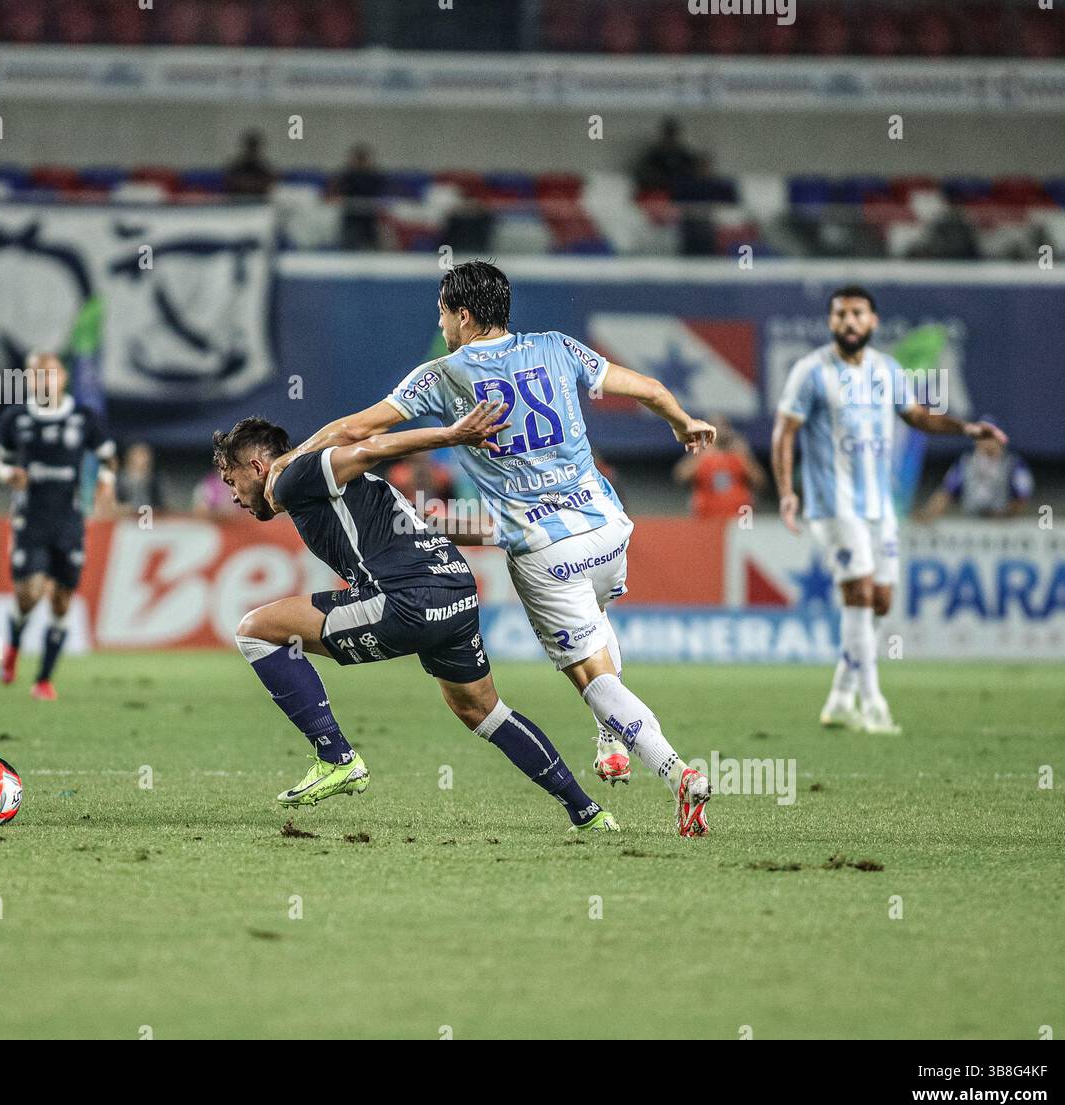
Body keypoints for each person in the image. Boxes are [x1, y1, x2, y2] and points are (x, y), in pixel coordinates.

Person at [281, 261, 717, 838]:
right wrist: (684, 423)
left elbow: (356, 431)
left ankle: (675, 771)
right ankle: (610, 737)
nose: (440, 323)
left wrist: (293, 460)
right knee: (598, 616)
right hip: (610, 527)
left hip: (544, 550)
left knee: (590, 674)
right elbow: (654, 390)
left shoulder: (443, 375)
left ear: (463, 314)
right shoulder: (557, 346)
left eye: (442, 311)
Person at [215, 406, 618, 833]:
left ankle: (336, 757)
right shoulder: (341, 490)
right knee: (481, 709)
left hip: (404, 598)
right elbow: (425, 520)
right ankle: (587, 812)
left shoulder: (293, 476)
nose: (234, 496)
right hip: (456, 592)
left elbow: (369, 447)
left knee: (256, 631)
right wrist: (503, 533)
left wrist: (452, 435)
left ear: (257, 466)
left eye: (231, 481)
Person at [771, 285, 1008, 735]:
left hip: (879, 505)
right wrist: (787, 490)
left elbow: (917, 415)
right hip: (832, 503)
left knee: (879, 602)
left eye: (857, 314)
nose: (848, 322)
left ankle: (840, 696)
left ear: (873, 322)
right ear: (830, 323)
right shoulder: (811, 371)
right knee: (858, 590)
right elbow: (785, 432)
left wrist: (967, 427)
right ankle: (873, 702)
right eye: (840, 315)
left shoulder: (887, 369)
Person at [0, 352, 117, 700]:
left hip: (69, 521)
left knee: (62, 601)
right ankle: (13, 646)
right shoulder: (16, 418)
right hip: (30, 520)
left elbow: (108, 457)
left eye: (50, 374)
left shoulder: (84, 417)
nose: (44, 381)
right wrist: (8, 474)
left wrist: (105, 482)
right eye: (37, 375)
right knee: (29, 594)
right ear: (29, 380)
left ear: (62, 378)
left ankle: (43, 679)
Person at [917, 421, 1032, 520]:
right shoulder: (965, 463)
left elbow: (1022, 498)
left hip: (1003, 527)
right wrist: (927, 514)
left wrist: (1003, 516)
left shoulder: (1014, 464)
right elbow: (946, 492)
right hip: (973, 525)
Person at [673, 415, 766, 519]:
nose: (719, 430)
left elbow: (760, 481)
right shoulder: (703, 454)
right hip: (706, 516)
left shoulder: (738, 454)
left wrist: (745, 456)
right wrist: (702, 453)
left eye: (723, 426)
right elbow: (681, 476)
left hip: (737, 517)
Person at [332, 144, 386, 251]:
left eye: (363, 160)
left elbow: (381, 193)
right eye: (358, 160)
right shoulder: (347, 175)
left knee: (372, 238)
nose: (361, 163)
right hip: (351, 214)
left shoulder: (375, 176)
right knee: (349, 239)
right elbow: (337, 192)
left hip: (369, 215)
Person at [115, 442, 168, 515]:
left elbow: (162, 504)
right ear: (129, 456)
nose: (141, 459)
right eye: (137, 455)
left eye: (144, 455)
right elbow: (115, 503)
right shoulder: (119, 479)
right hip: (125, 519)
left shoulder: (156, 479)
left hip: (152, 519)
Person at [223, 130, 274, 200]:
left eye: (254, 148)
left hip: (259, 203)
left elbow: (269, 183)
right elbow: (230, 180)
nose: (252, 151)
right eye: (250, 147)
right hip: (237, 203)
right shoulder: (236, 167)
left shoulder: (263, 168)